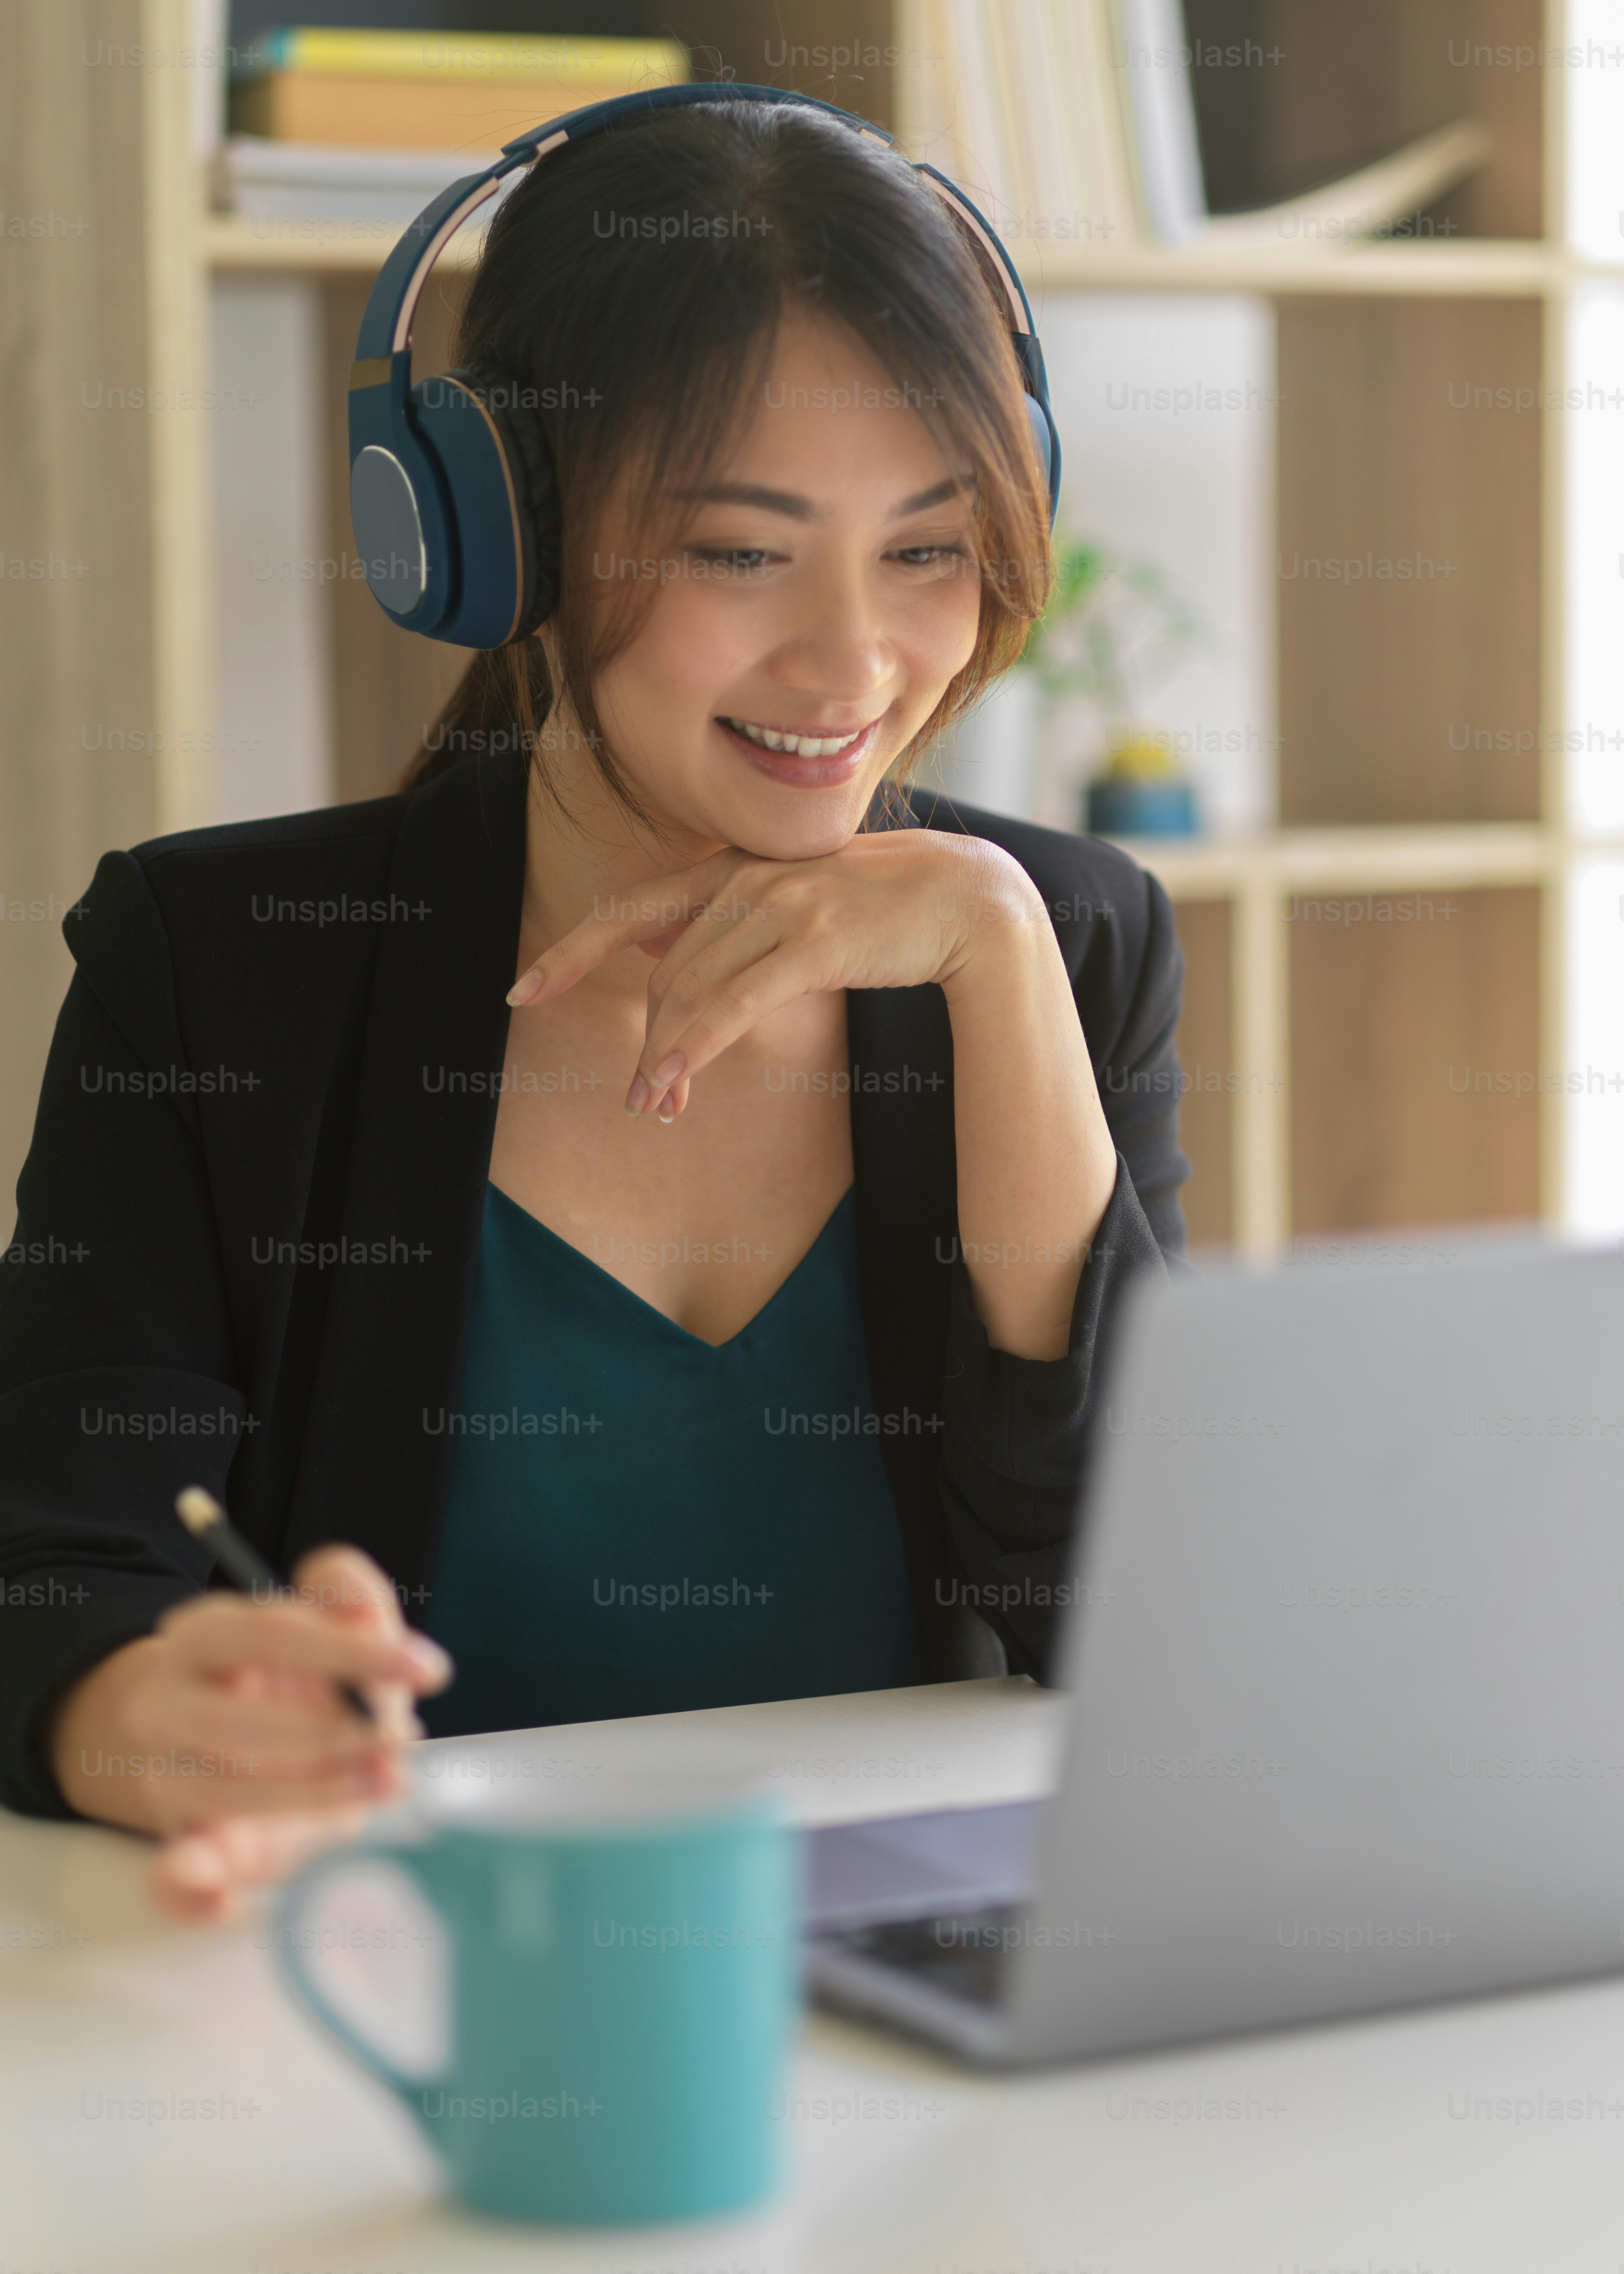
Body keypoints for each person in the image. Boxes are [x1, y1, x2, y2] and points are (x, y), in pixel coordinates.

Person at [0, 97, 1187, 1921]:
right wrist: (140, 1712)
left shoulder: (1061, 942)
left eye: (927, 550)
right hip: (398, 1980)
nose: (855, 663)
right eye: (738, 551)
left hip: (907, 1992)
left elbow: (1144, 1630)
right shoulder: (223, 962)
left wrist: (1003, 975)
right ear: (500, 534)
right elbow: (50, 1564)